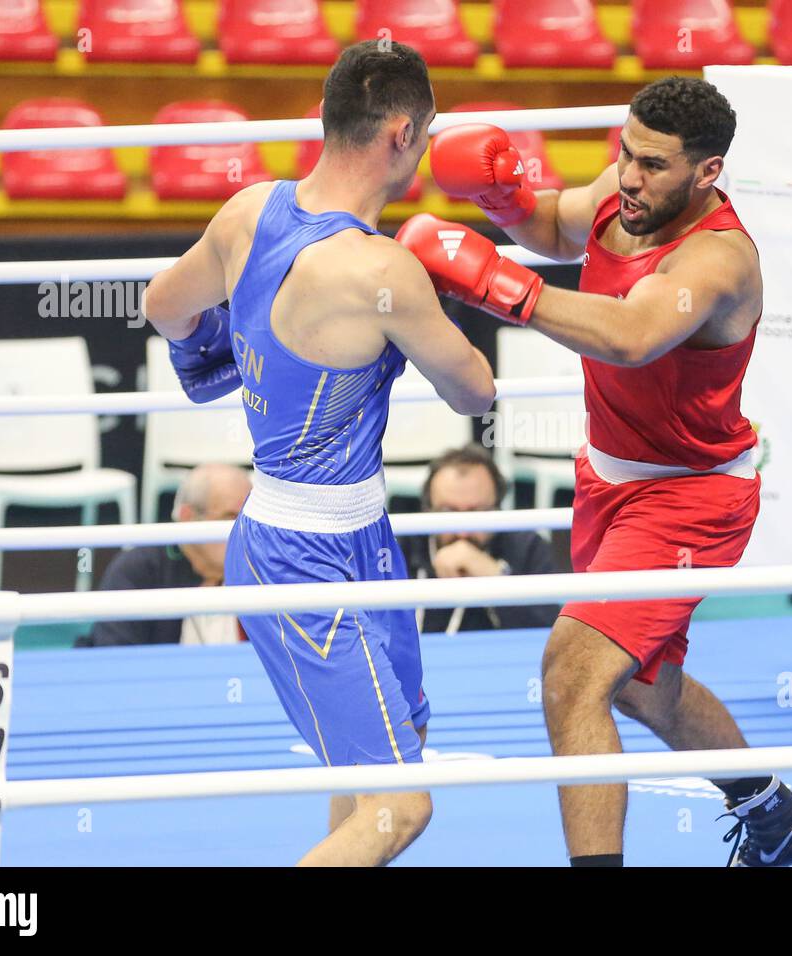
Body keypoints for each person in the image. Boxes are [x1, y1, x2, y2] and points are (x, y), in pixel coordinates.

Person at [397, 76, 792, 867]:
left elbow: (634, 333)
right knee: (639, 687)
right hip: (608, 479)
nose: (631, 177)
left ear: (707, 174)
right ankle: (776, 816)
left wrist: (499, 285)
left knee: (571, 674)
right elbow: (554, 226)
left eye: (655, 166)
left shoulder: (719, 261)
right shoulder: (623, 189)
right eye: (626, 153)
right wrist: (502, 201)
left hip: (690, 501)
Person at [141, 40, 495, 867]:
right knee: (403, 806)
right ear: (401, 133)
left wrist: (233, 355)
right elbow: (475, 392)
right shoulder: (384, 270)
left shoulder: (248, 212)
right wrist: (460, 285)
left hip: (349, 537)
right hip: (304, 555)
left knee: (380, 758)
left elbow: (163, 305)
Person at [75, 463, 251, 647]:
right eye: (230, 518)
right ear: (187, 517)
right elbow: (114, 660)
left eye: (249, 520)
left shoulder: (262, 570)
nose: (244, 533)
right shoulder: (138, 571)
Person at [403, 443, 560, 633]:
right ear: (428, 509)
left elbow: (547, 634)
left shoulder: (527, 547)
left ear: (497, 507)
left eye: (477, 512)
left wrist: (496, 578)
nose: (463, 532)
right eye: (448, 512)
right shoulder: (400, 548)